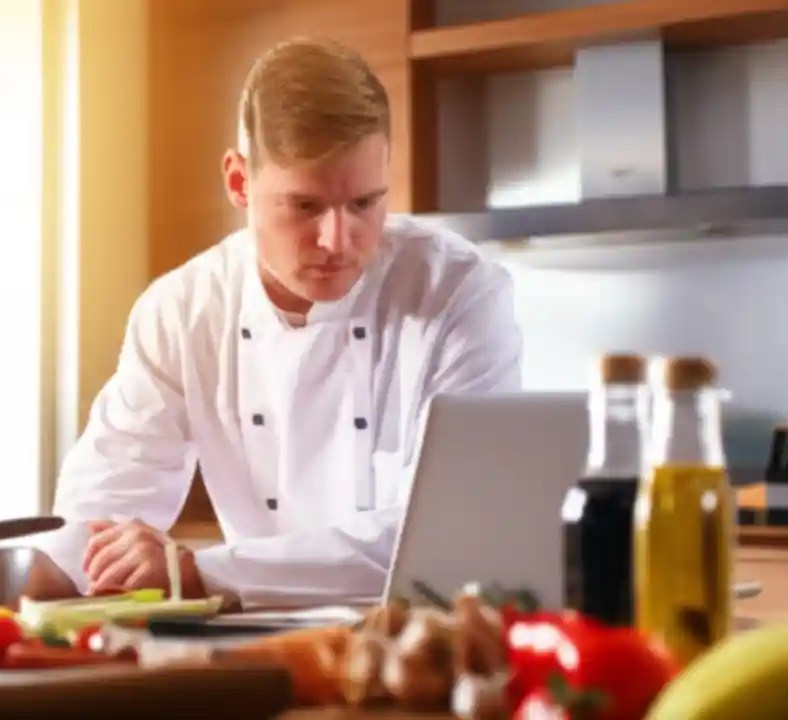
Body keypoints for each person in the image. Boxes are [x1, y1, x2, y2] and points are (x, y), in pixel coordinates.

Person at [37, 37, 523, 608]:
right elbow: (100, 509)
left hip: (412, 647)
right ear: (239, 182)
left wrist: (202, 573)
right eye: (306, 206)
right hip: (252, 645)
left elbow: (448, 540)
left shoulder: (459, 294)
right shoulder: (183, 311)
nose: (338, 242)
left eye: (366, 204)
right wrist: (31, 582)